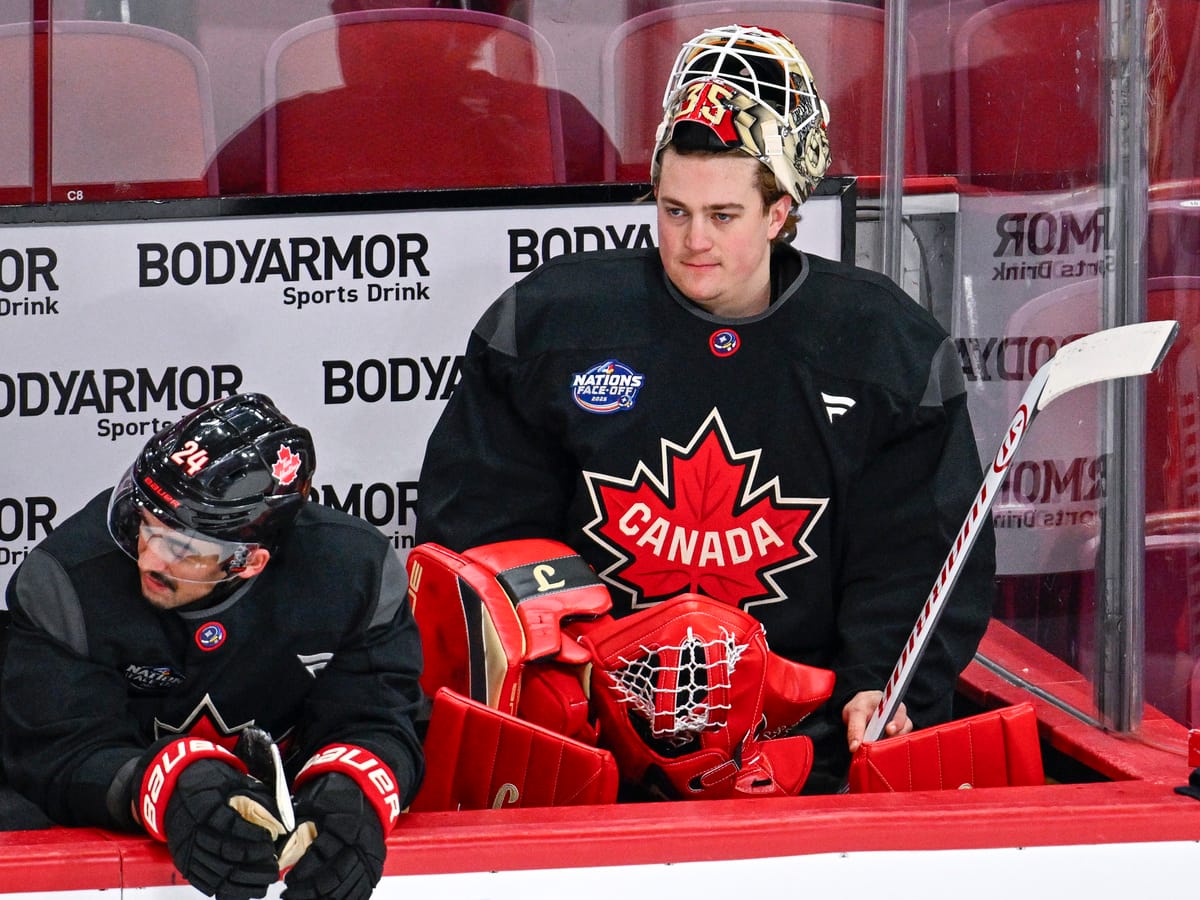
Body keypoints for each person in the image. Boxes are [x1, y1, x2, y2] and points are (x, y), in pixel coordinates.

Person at [415, 24, 995, 791]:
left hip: (801, 745)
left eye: (723, 215)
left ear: (782, 210)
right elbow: (481, 539)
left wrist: (881, 686)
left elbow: (915, 556)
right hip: (587, 736)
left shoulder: (883, 347)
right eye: (673, 209)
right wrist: (554, 689)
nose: (692, 241)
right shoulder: (552, 326)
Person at [1, 393, 424, 899]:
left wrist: (354, 788)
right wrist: (162, 786)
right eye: (145, 522)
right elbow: (55, 753)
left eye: (182, 549)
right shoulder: (64, 580)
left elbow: (381, 719)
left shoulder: (358, 574)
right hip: (109, 837)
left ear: (247, 562)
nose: (148, 558)